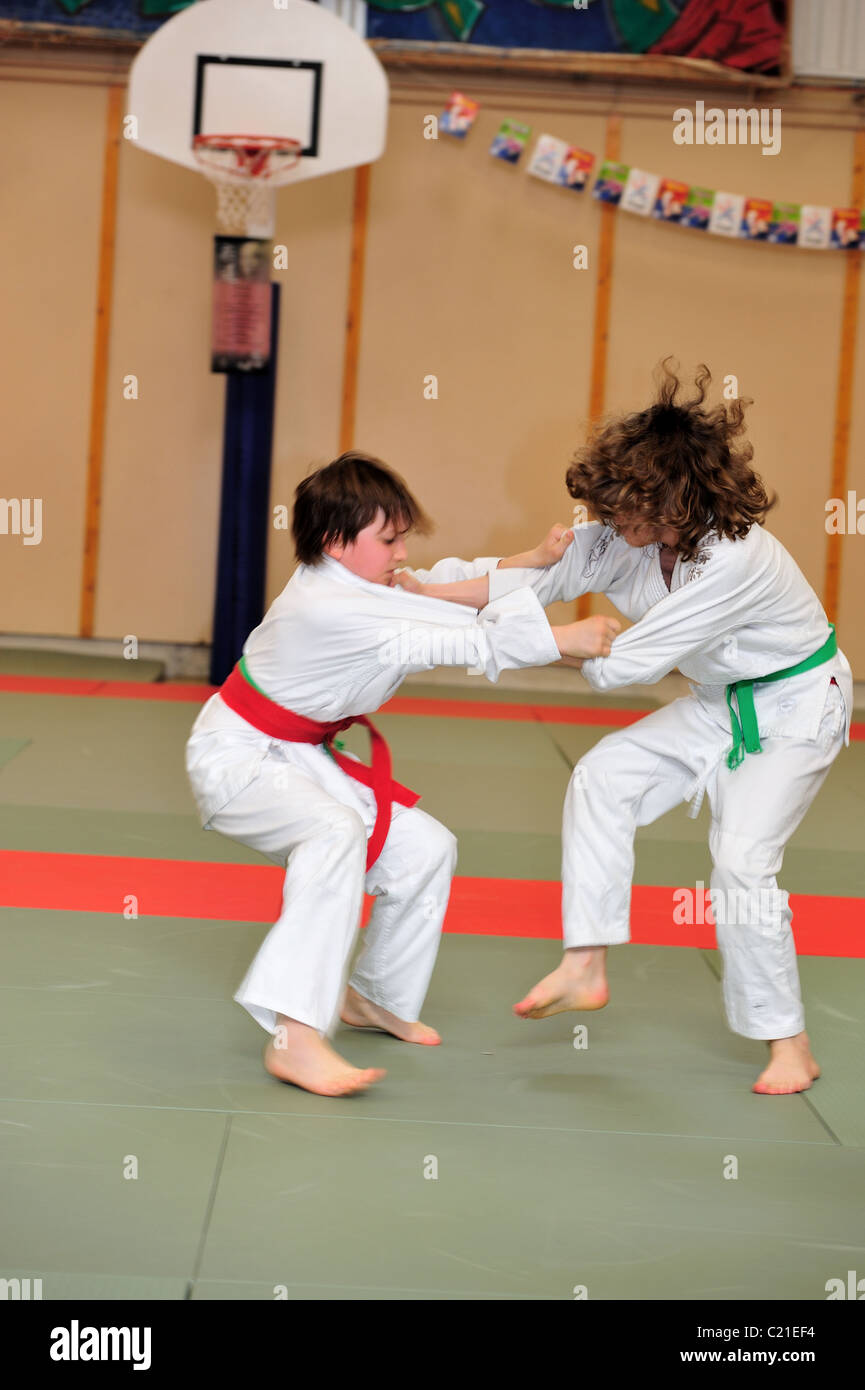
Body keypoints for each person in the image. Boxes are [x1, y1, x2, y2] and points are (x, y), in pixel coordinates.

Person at [402, 362, 853, 1096]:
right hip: (719, 698)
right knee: (603, 777)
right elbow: (528, 576)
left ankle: (788, 1045)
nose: (612, 524)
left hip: (797, 704)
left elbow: (622, 667)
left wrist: (561, 641)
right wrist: (420, 591)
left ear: (676, 501)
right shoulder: (624, 530)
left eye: (627, 511)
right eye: (608, 509)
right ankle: (585, 960)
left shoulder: (734, 561)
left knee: (739, 860)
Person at [185, 451, 619, 1098]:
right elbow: (460, 635)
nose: (400, 552)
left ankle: (373, 997)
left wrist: (528, 561)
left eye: (401, 536)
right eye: (388, 540)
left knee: (423, 848)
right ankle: (295, 1037)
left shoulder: (369, 586)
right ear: (335, 542)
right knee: (333, 834)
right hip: (239, 758)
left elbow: (444, 585)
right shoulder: (329, 606)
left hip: (302, 753)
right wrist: (561, 641)